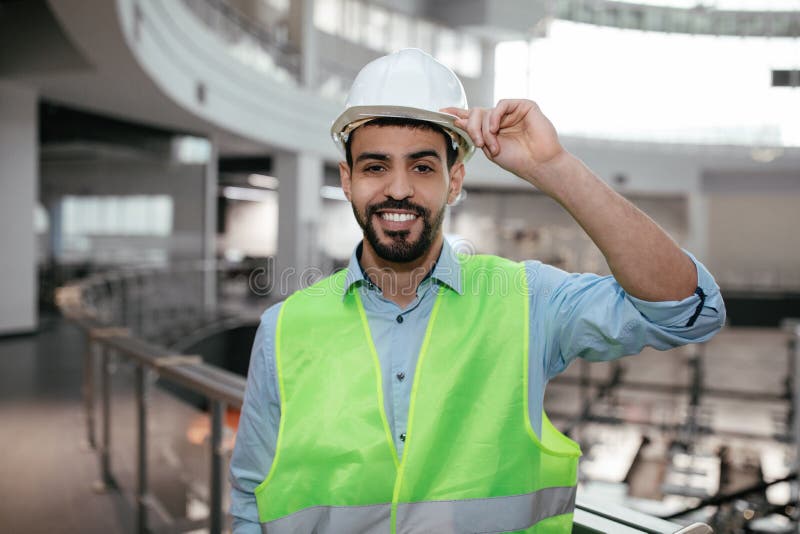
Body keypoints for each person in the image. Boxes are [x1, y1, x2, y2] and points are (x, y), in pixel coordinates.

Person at [229, 48, 725, 533]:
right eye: (375, 167)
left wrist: (552, 168)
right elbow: (253, 506)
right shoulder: (284, 329)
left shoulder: (527, 301)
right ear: (347, 179)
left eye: (422, 167)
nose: (398, 189)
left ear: (454, 180)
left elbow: (687, 311)